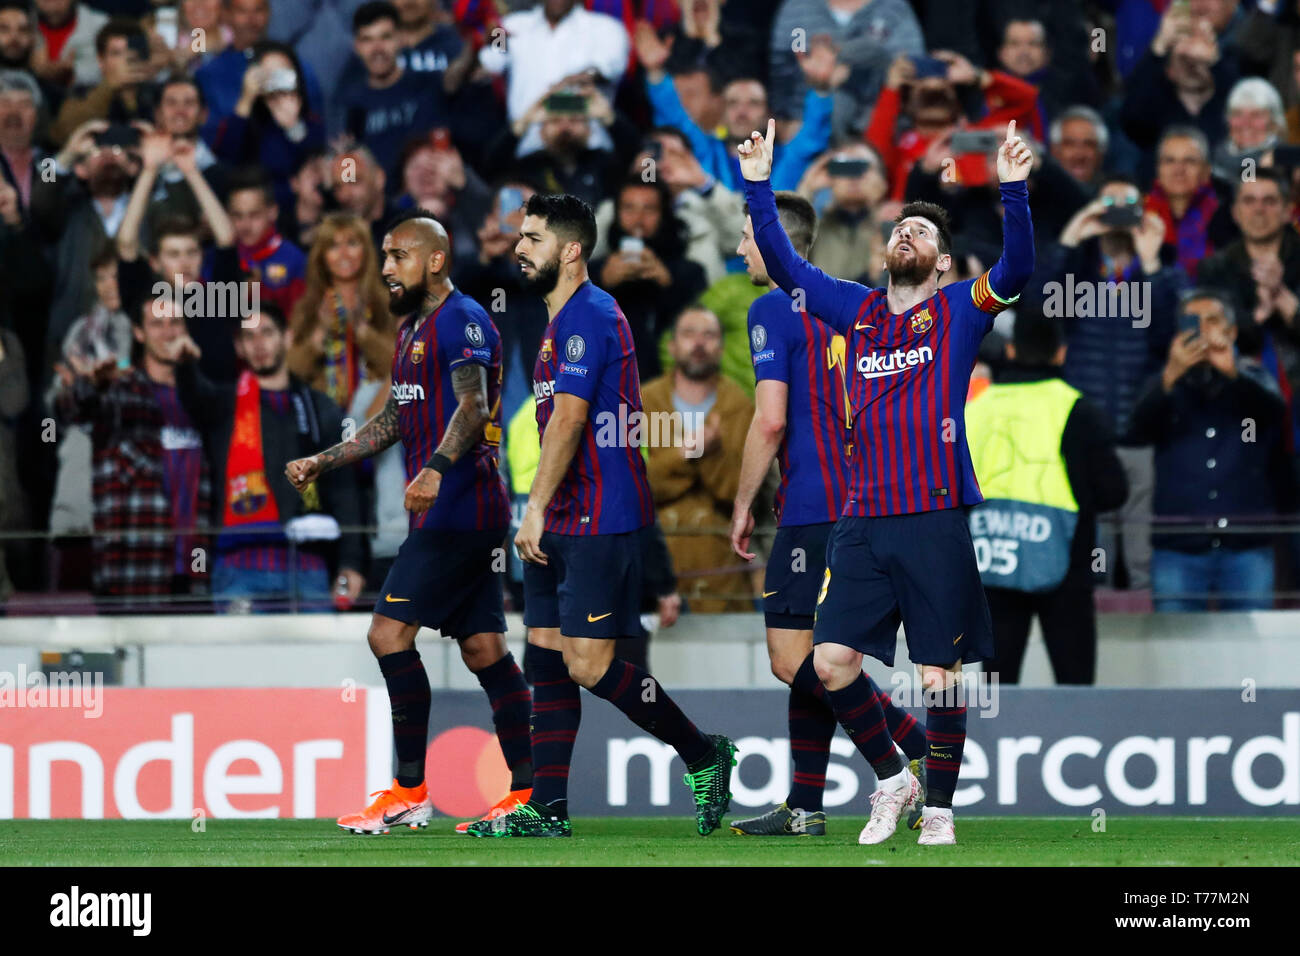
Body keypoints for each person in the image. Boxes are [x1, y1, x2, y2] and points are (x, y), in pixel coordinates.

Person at [737, 118, 1035, 846]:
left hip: (932, 517)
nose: (907, 235)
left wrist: (1014, 188)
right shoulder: (857, 310)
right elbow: (785, 266)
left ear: (942, 264)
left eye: (923, 234)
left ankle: (940, 810)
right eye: (900, 228)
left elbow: (1019, 268)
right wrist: (756, 184)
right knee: (830, 664)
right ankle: (895, 779)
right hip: (860, 522)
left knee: (939, 674)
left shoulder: (960, 309)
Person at [473, 193, 735, 838]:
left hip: (598, 514)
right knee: (545, 651)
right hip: (559, 511)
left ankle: (703, 752)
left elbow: (569, 419)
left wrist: (529, 508)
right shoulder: (559, 318)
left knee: (587, 664)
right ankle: (548, 807)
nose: (519, 247)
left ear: (570, 250)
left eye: (532, 238)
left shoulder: (590, 314)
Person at [285, 210, 534, 834]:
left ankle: (409, 790)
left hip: (461, 508)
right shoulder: (410, 332)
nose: (387, 267)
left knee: (387, 634)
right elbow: (398, 419)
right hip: (450, 510)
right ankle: (530, 794)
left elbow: (475, 408)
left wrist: (436, 470)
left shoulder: (464, 320)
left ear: (435, 260)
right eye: (386, 255)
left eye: (397, 255)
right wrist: (326, 459)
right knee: (483, 650)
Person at [728, 191, 929, 836]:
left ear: (774, 240)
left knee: (793, 660)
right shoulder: (854, 307)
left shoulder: (771, 308)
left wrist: (741, 506)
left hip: (812, 508)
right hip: (865, 501)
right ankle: (805, 809)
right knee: (818, 657)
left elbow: (770, 418)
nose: (739, 250)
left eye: (746, 238)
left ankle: (910, 750)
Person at [967, 312, 1128, 684]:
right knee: (1075, 684)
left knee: (998, 687)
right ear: (1061, 353)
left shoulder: (976, 411)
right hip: (1066, 566)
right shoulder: (1078, 409)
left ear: (1010, 350)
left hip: (993, 561)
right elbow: (1113, 491)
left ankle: (1001, 744)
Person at [171, 303, 363, 611]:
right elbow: (193, 394)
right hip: (239, 569)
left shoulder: (319, 408)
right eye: (249, 337)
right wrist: (184, 365)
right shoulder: (223, 404)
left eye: (267, 333)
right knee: (242, 660)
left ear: (287, 338)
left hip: (308, 567)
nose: (259, 344)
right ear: (239, 347)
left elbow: (343, 488)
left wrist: (350, 563)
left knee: (318, 662)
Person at [1130, 288, 1291, 612]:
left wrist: (1232, 373)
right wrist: (1171, 376)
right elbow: (1135, 432)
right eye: (1193, 322)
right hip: (1179, 546)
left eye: (1213, 321)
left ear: (1231, 332)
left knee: (1251, 649)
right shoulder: (1163, 383)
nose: (1203, 330)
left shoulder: (1255, 378)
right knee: (1173, 652)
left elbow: (1275, 413)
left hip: (1246, 546)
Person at [52, 293, 210, 611]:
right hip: (133, 573)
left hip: (197, 570)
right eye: (157, 324)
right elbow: (72, 412)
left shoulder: (203, 398)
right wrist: (89, 385)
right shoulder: (119, 392)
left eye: (175, 323)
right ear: (139, 333)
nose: (168, 332)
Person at [642, 305, 751, 611]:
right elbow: (640, 487)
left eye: (709, 335)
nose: (699, 343)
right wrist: (689, 451)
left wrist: (702, 454)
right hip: (656, 565)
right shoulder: (645, 401)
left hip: (720, 570)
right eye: (689, 334)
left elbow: (737, 491)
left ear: (721, 347)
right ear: (671, 346)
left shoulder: (739, 405)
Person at [590, 177, 708, 378]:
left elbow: (701, 336)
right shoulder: (592, 273)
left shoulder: (689, 272)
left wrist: (667, 285)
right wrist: (601, 285)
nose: (638, 218)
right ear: (616, 214)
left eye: (649, 209)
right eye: (629, 208)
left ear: (664, 215)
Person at [287, 211, 394, 412]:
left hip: (376, 417)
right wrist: (320, 332)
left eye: (352, 244)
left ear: (366, 250)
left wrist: (363, 332)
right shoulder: (307, 306)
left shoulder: (387, 303)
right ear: (322, 257)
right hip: (327, 418)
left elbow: (401, 368)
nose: (344, 254)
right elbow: (291, 371)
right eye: (333, 246)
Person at [340, 2, 447, 192]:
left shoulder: (428, 86)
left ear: (400, 38)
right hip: (377, 207)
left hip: (428, 196)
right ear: (356, 46)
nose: (377, 48)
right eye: (367, 40)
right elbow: (346, 169)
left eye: (385, 37)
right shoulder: (350, 106)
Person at [223, 167, 306, 320]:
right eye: (237, 215)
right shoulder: (220, 258)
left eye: (254, 215)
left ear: (272, 212)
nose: (245, 225)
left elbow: (300, 324)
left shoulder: (294, 259)